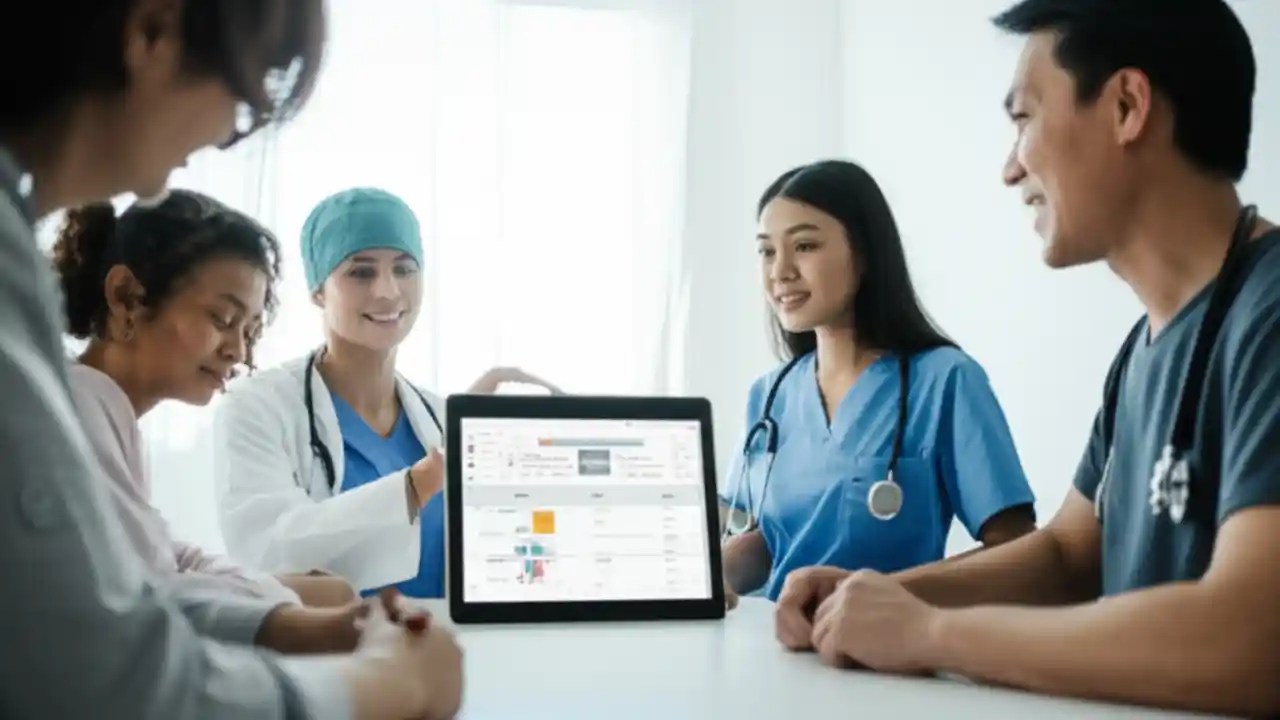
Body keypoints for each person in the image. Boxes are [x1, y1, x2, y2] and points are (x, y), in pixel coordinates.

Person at [773, 2, 1280, 717]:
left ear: (1127, 107)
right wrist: (879, 596)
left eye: (1023, 119)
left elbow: (1250, 641)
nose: (1011, 169)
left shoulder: (1268, 313)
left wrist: (932, 634)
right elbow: (1070, 555)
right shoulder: (1144, 351)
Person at [0, 1, 462, 718]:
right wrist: (375, 682)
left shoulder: (93, 396)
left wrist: (304, 619)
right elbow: (103, 666)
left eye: (405, 268)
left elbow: (162, 568)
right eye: (247, 94)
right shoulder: (85, 390)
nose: (229, 134)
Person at [215, 186, 562, 598]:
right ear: (318, 290)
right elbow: (267, 554)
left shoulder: (440, 418)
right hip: (329, 640)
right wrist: (421, 481)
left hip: (445, 638)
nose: (388, 291)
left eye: (404, 269)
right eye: (361, 272)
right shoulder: (257, 407)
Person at [721, 159, 1037, 603]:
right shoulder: (770, 396)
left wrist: (889, 595)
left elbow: (1017, 551)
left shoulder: (945, 381)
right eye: (767, 252)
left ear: (865, 253)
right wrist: (707, 575)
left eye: (805, 246)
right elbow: (765, 540)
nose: (781, 271)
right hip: (776, 637)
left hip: (885, 641)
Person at [54, 190, 363, 613]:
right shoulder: (78, 410)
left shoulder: (106, 411)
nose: (238, 351)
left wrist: (280, 589)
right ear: (127, 298)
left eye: (250, 332)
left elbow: (169, 557)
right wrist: (283, 601)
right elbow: (149, 592)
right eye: (223, 319)